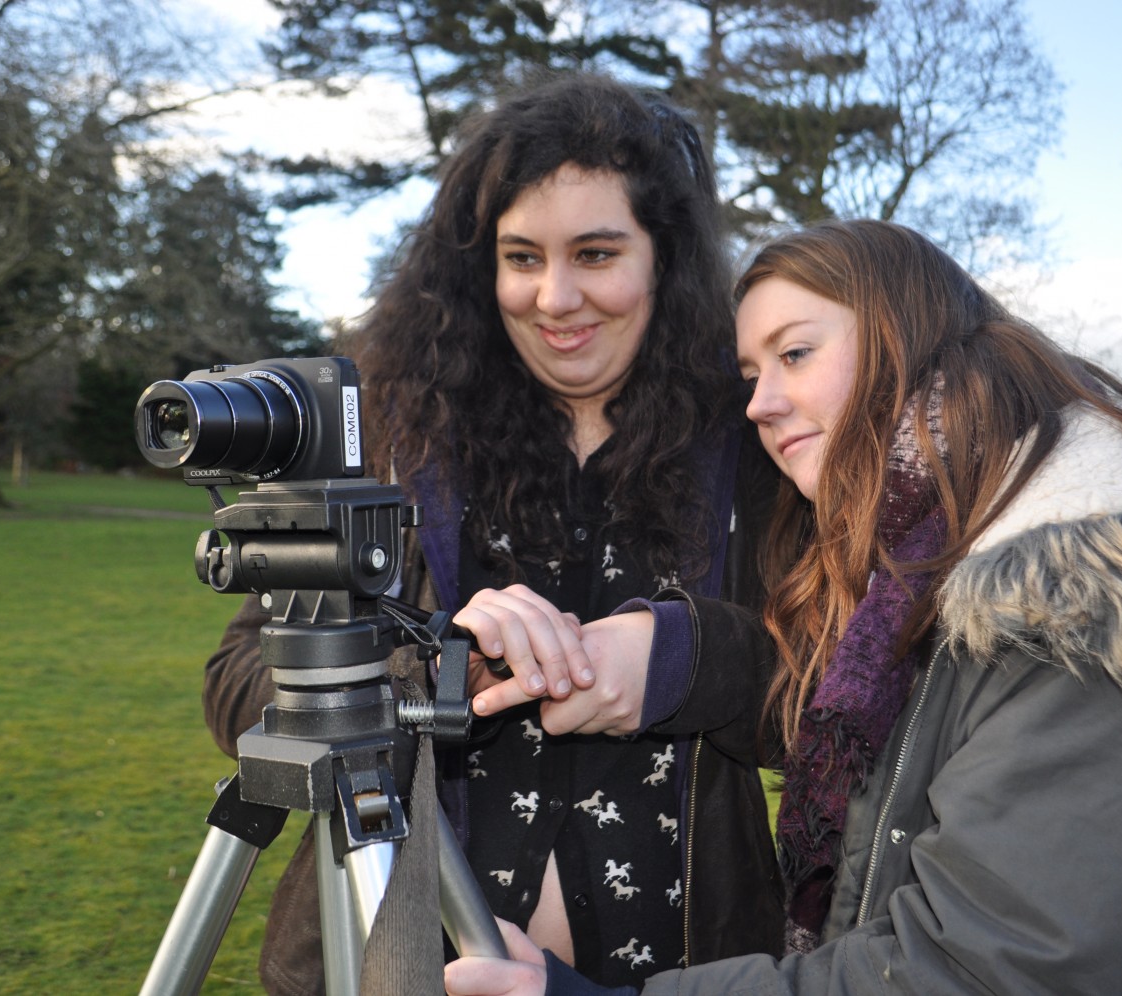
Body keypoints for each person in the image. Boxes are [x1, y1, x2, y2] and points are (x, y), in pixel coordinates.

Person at [445, 218, 1122, 995]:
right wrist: (667, 654)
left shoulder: (1085, 598)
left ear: (909, 341)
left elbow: (983, 969)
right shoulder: (929, 571)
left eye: (795, 354)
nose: (757, 402)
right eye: (751, 371)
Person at [201, 72, 784, 994]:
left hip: (680, 970)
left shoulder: (758, 438)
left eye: (596, 254)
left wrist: (678, 657)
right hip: (396, 957)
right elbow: (239, 691)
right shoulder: (391, 435)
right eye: (522, 258)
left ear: (662, 259)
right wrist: (431, 668)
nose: (555, 298)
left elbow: (838, 699)